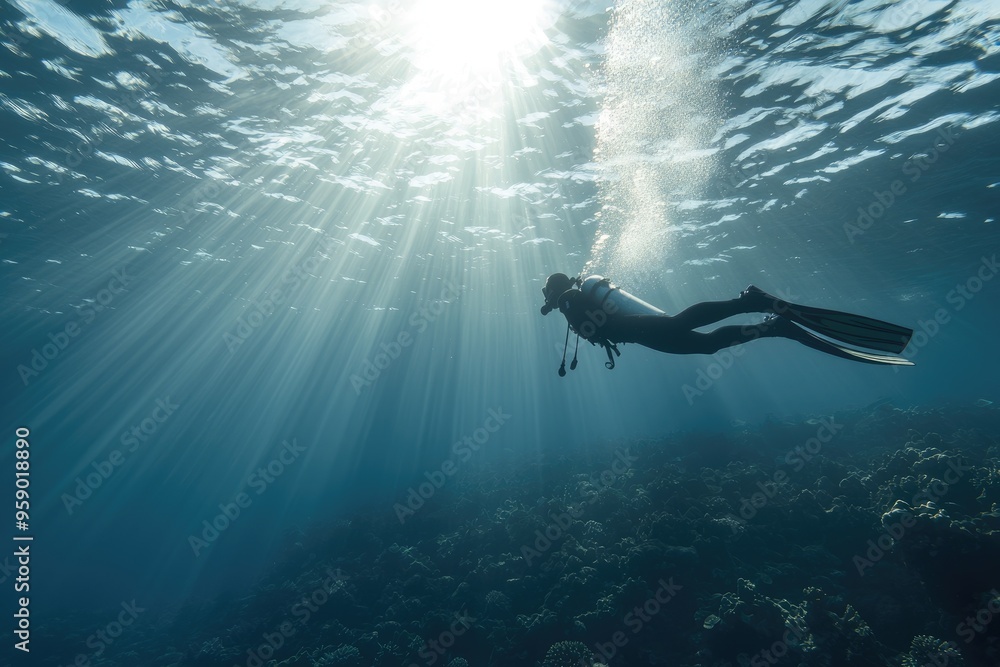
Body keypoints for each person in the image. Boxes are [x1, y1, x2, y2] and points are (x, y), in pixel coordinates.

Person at [539, 273, 914, 375]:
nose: (546, 300)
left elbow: (590, 324)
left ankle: (748, 301)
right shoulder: (572, 299)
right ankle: (773, 327)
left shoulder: (569, 299)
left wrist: (557, 304)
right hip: (634, 332)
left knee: (681, 323)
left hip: (633, 326)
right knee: (706, 345)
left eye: (547, 293)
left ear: (556, 289)